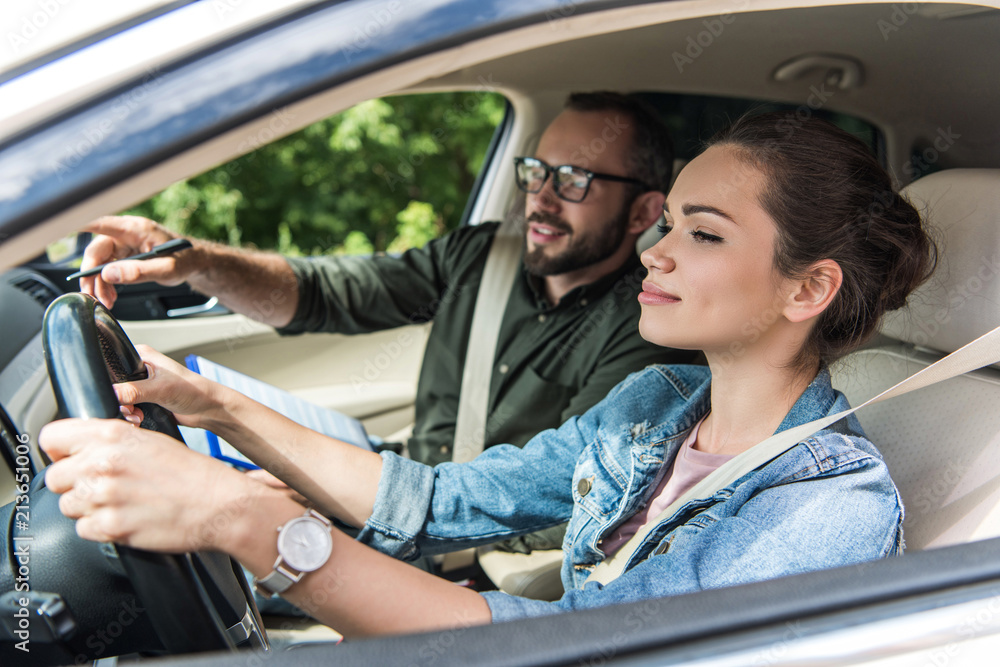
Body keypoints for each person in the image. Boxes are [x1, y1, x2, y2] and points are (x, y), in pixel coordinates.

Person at [40, 112, 936, 636]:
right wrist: (213, 405)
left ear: (808, 288)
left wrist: (245, 519)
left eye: (702, 233)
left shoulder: (825, 511)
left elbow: (573, 652)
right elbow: (433, 500)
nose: (655, 253)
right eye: (671, 227)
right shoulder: (656, 407)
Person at [78, 92, 695, 556]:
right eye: (537, 173)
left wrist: (343, 512)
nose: (542, 199)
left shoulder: (648, 331)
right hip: (400, 491)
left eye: (575, 180)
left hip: (461, 548)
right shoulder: (482, 255)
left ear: (644, 208)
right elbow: (323, 294)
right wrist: (195, 261)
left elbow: (567, 503)